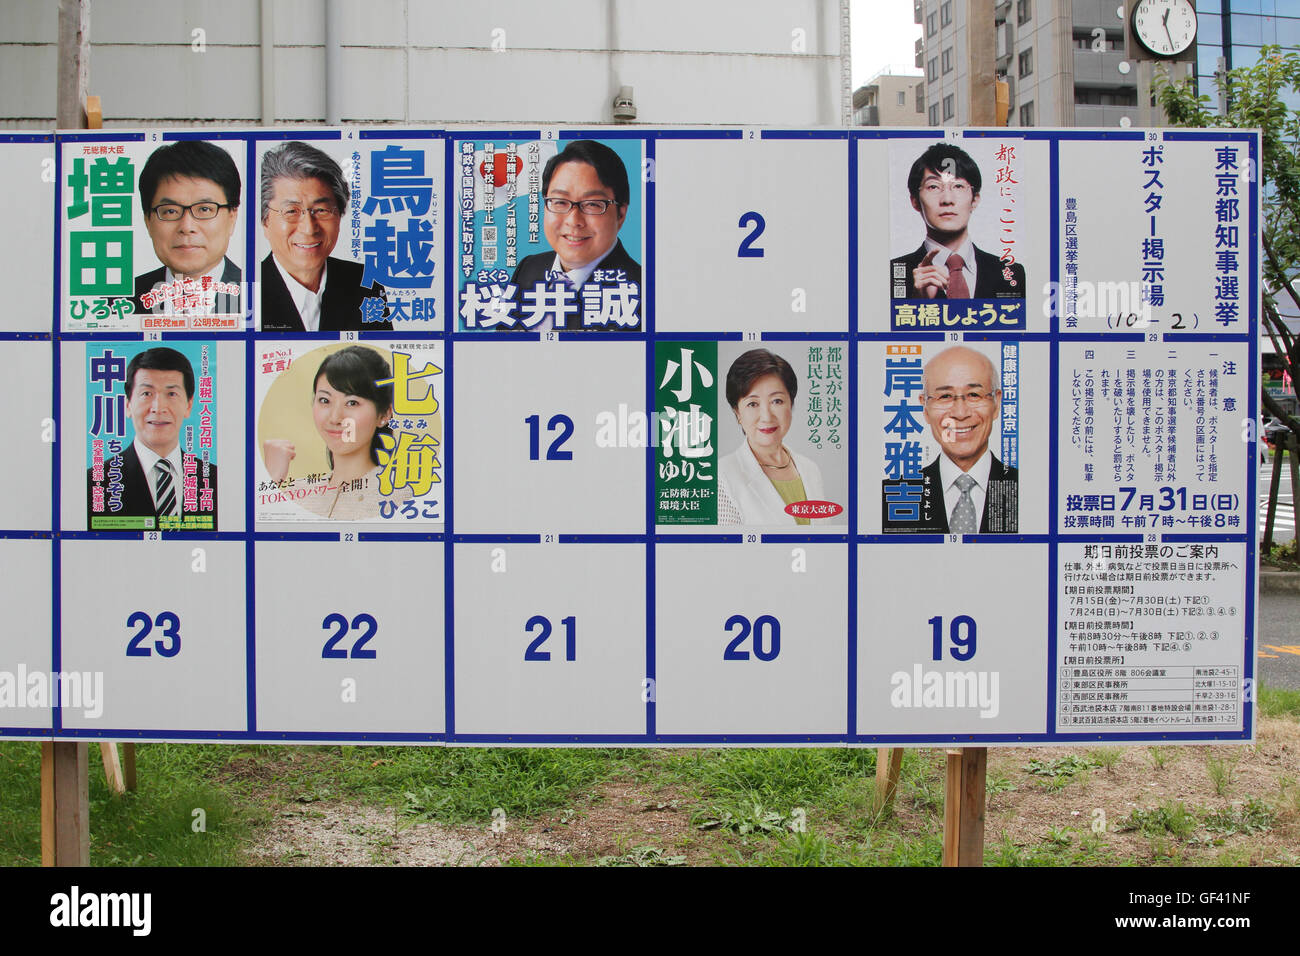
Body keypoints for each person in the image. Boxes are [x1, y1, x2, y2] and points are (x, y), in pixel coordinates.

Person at [262, 346, 412, 520]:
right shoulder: (295, 492)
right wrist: (272, 479)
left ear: (384, 414)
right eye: (325, 400)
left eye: (352, 403)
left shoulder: (402, 497)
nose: (335, 418)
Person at [508, 140, 641, 331]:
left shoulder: (644, 292)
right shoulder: (528, 268)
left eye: (592, 204)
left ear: (620, 214)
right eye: (560, 202)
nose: (573, 220)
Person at [259, 142, 391, 332]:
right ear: (265, 220)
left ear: (340, 215)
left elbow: (382, 358)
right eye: (291, 211)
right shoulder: (242, 290)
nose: (309, 228)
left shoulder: (365, 283)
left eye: (321, 210)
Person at [883, 345, 1017, 533]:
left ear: (996, 403)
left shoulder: (1030, 491)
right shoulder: (891, 497)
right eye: (945, 396)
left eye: (974, 395)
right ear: (925, 407)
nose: (960, 413)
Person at [87, 347, 217, 530]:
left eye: (172, 394)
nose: (158, 407)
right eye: (147, 394)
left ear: (188, 405)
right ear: (128, 405)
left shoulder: (216, 481)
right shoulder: (93, 484)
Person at [890, 142, 1025, 300]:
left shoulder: (1011, 273)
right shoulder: (891, 274)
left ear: (974, 200)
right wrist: (917, 302)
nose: (947, 199)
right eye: (933, 187)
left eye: (958, 186)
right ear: (915, 201)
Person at [717, 348, 829, 526]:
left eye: (777, 401)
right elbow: (724, 552)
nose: (767, 416)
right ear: (737, 412)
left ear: (791, 404)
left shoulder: (810, 469)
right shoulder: (721, 477)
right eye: (753, 403)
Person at [131, 140, 242, 317]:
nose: (187, 227)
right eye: (170, 211)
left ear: (232, 217)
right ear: (148, 221)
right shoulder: (118, 303)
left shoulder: (263, 298)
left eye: (204, 209)